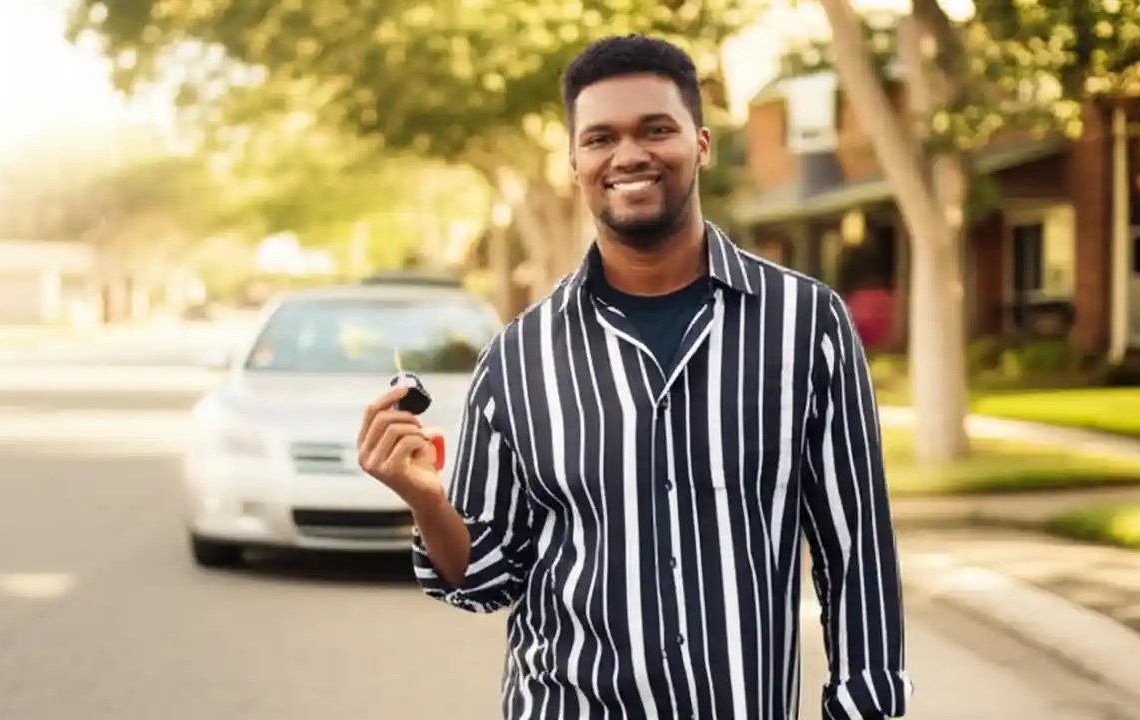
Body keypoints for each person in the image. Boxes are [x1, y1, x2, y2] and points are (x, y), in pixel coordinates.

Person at [356, 34, 910, 720]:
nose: (629, 155)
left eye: (656, 130)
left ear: (701, 143)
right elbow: (483, 579)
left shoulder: (807, 324)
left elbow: (856, 553)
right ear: (576, 163)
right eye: (600, 138)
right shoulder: (519, 357)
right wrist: (425, 500)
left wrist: (866, 708)